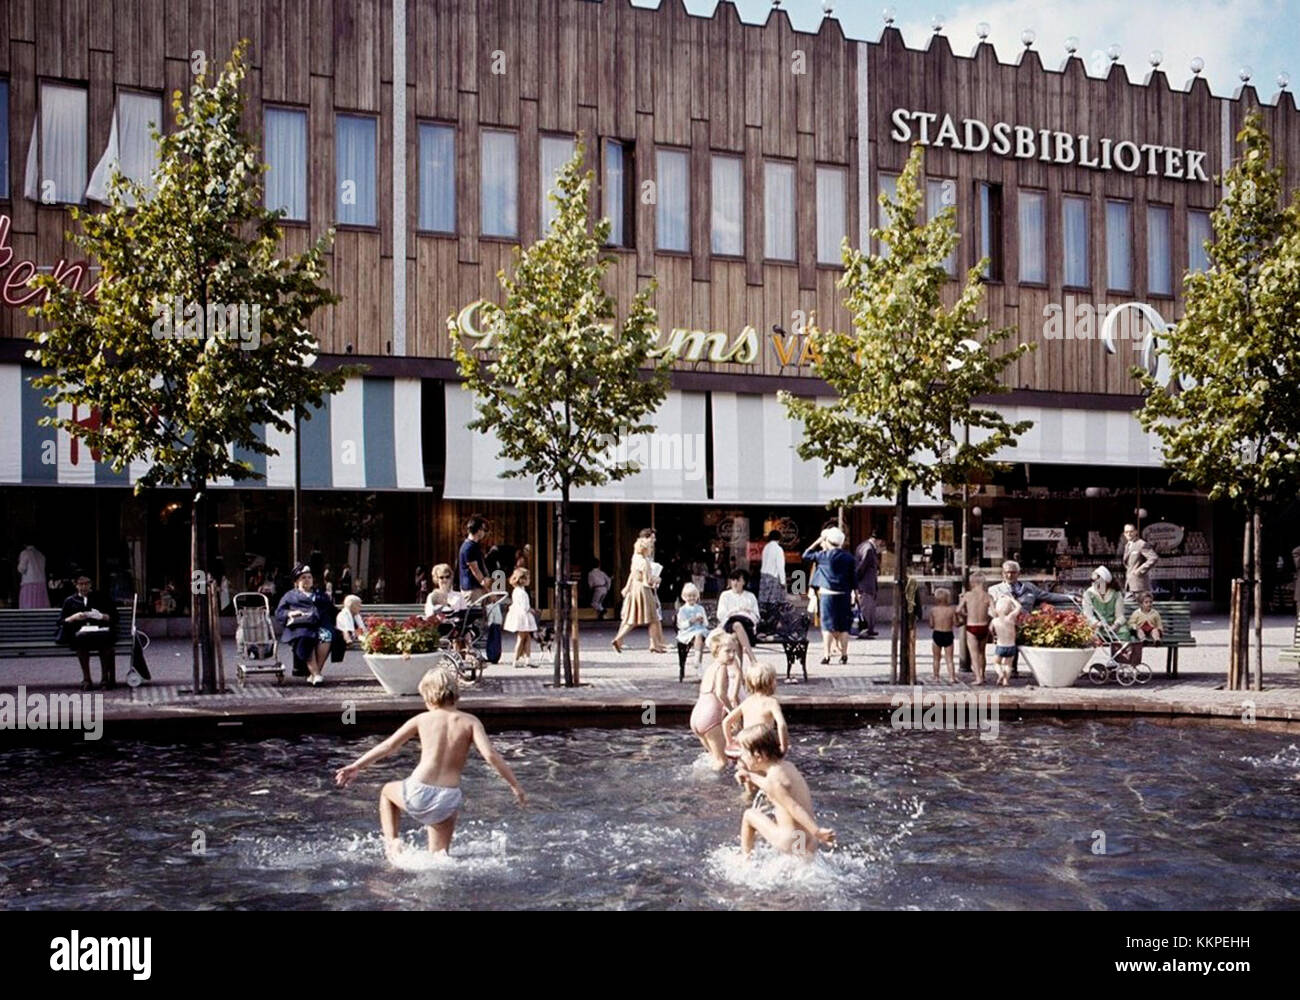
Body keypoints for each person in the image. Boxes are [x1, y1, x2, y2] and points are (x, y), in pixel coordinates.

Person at [334, 667, 526, 861]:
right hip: (448, 798)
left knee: (386, 792)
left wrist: (356, 765)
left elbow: (389, 746)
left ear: (428, 695)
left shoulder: (421, 719)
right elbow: (490, 755)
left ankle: (392, 843)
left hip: (417, 791)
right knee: (439, 858)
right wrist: (515, 785)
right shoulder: (471, 722)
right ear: (454, 693)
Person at [734, 724, 835, 859]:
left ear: (758, 757)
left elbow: (794, 807)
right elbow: (773, 787)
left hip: (790, 840)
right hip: (807, 840)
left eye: (744, 753)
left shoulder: (772, 781)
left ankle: (745, 860)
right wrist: (749, 776)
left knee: (749, 815)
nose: (741, 757)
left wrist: (817, 832)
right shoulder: (787, 767)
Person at [275, 564, 337, 685]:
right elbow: (279, 612)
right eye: (303, 577)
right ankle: (316, 674)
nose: (307, 580)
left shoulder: (320, 595)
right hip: (300, 627)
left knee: (327, 635)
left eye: (309, 577)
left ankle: (314, 673)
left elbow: (332, 610)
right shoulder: (290, 595)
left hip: (319, 625)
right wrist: (290, 613)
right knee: (305, 637)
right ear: (297, 581)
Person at [689, 633, 743, 771]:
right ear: (716, 651)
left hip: (696, 717)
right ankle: (711, 788)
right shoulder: (722, 668)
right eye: (727, 651)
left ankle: (700, 779)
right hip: (709, 719)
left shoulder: (710, 668)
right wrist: (733, 714)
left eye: (734, 651)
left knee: (713, 756)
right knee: (722, 762)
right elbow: (721, 694)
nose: (732, 655)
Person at [802, 527, 855, 665]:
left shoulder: (823, 556)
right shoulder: (849, 557)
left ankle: (826, 655)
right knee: (844, 626)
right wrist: (855, 591)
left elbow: (806, 555)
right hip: (844, 594)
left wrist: (818, 541)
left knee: (827, 626)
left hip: (827, 594)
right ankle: (844, 655)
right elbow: (853, 577)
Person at [57, 575, 117, 689]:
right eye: (81, 584)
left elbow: (114, 617)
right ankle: (86, 679)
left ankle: (105, 679)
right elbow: (60, 621)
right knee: (80, 645)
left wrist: (101, 616)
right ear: (76, 586)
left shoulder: (101, 598)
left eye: (86, 584)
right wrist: (73, 617)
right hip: (81, 636)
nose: (84, 587)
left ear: (90, 585)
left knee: (106, 645)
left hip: (100, 633)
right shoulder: (70, 601)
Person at [722, 660, 789, 758]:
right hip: (762, 741)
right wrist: (783, 746)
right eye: (775, 679)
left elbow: (726, 722)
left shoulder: (747, 702)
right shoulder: (771, 702)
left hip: (746, 741)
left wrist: (729, 742)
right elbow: (782, 724)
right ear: (770, 682)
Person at [612, 536, 667, 653]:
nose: (651, 549)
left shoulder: (635, 558)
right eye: (650, 547)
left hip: (634, 588)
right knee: (653, 618)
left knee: (633, 617)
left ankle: (619, 638)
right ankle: (654, 644)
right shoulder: (645, 562)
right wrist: (657, 579)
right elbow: (648, 580)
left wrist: (627, 588)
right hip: (644, 590)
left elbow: (632, 575)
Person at [715, 568, 762, 668]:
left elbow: (757, 616)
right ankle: (752, 658)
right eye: (733, 580)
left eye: (738, 580)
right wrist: (735, 611)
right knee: (737, 625)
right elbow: (720, 614)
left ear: (744, 582)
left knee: (736, 637)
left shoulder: (750, 596)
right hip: (730, 625)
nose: (735, 583)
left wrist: (747, 612)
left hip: (747, 627)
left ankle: (738, 672)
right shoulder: (725, 595)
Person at [956, 572, 992, 685]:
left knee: (974, 653)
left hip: (972, 626)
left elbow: (958, 610)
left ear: (972, 582)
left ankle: (978, 678)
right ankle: (983, 675)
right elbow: (994, 611)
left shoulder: (967, 595)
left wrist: (965, 614)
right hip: (984, 626)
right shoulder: (988, 596)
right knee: (982, 652)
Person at [504, 568, 538, 668]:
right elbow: (524, 606)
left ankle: (527, 658)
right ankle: (516, 659)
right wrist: (530, 609)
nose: (529, 580)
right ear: (521, 580)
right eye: (527, 578)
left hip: (520, 615)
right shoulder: (521, 593)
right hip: (523, 616)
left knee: (527, 637)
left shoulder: (517, 591)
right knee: (522, 637)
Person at [675, 582, 711, 670]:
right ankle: (698, 661)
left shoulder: (700, 608)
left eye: (694, 596)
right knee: (698, 635)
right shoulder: (683, 610)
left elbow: (706, 624)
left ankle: (698, 661)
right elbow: (680, 625)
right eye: (689, 596)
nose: (692, 598)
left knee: (700, 635)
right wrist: (690, 621)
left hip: (700, 630)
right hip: (688, 631)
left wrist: (702, 621)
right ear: (684, 597)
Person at [854, 530, 881, 637]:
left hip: (866, 583)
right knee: (866, 607)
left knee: (869, 607)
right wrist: (857, 580)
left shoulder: (863, 546)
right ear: (878, 541)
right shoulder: (869, 549)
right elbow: (862, 566)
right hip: (866, 583)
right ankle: (864, 630)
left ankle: (869, 629)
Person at [1121, 523, 1160, 597]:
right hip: (1130, 585)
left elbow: (1153, 557)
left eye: (1131, 531)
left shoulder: (1141, 544)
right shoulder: (1127, 546)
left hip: (1140, 586)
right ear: (1124, 534)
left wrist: (1140, 570)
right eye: (1126, 532)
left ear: (1136, 532)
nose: (1129, 534)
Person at [929, 587, 957, 684]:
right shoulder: (951, 610)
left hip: (937, 633)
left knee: (936, 658)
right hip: (948, 633)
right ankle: (952, 677)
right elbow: (955, 623)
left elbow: (931, 625)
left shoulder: (933, 610)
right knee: (949, 658)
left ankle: (936, 676)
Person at [990, 596, 1019, 687]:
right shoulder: (1011, 618)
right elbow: (1019, 607)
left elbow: (990, 630)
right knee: (1008, 665)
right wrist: (1012, 599)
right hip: (1011, 645)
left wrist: (994, 636)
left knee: (996, 662)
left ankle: (1000, 674)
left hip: (1000, 645)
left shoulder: (995, 621)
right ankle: (1006, 681)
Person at [458, 517, 491, 598]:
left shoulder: (473, 546)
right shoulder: (469, 547)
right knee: (474, 610)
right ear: (479, 530)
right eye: (484, 529)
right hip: (472, 589)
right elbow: (475, 570)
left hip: (476, 587)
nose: (484, 533)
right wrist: (486, 587)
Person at [759, 530, 786, 607]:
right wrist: (783, 581)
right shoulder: (778, 549)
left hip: (764, 576)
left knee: (764, 601)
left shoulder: (766, 548)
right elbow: (780, 566)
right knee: (773, 602)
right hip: (773, 577)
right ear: (779, 538)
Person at [17, 544, 49, 609]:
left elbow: (21, 569)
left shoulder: (25, 553)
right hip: (41, 583)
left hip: (29, 583)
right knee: (40, 606)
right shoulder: (40, 554)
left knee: (28, 606)